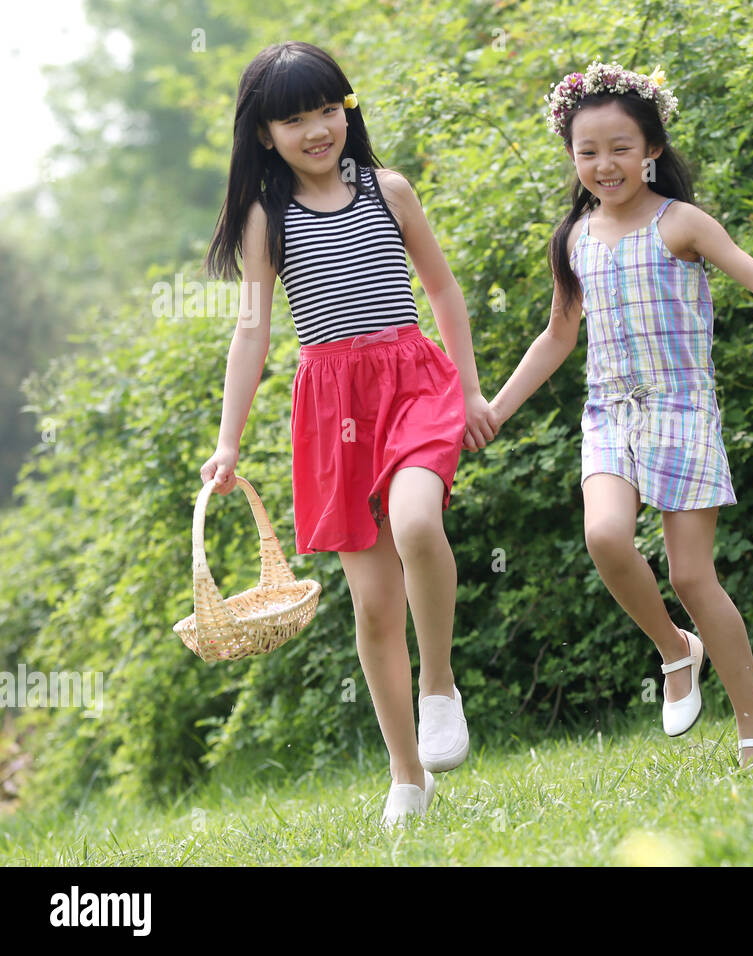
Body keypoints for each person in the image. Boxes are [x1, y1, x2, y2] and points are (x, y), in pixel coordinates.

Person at [474, 62, 753, 768]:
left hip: (683, 414)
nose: (605, 165)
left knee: (694, 578)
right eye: (588, 152)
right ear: (571, 157)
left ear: (653, 149)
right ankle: (674, 648)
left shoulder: (681, 224)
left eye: (621, 148)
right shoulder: (573, 238)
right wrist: (495, 410)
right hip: (609, 414)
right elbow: (558, 335)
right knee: (605, 536)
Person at [200, 41, 497, 827]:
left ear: (347, 111)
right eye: (294, 118)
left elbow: (441, 288)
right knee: (371, 607)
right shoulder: (269, 218)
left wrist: (468, 390)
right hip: (334, 413)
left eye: (328, 109)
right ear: (265, 135)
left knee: (416, 522)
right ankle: (407, 776)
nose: (317, 129)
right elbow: (252, 335)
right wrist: (228, 443)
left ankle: (439, 683)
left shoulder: (388, 190)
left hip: (413, 387)